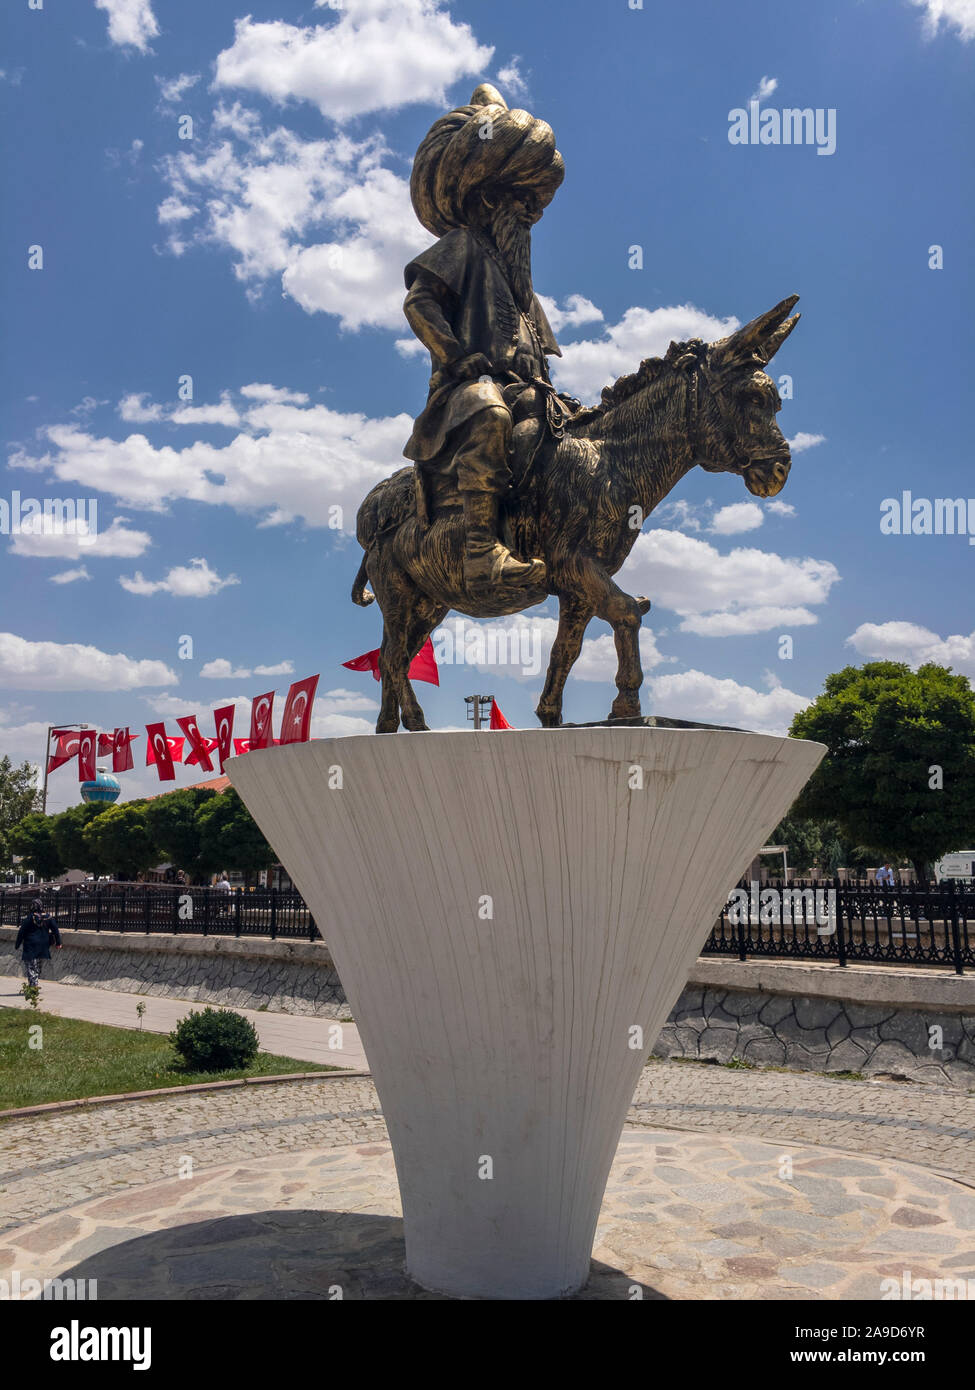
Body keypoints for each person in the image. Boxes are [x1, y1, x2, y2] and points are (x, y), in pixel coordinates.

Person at [403, 83, 581, 596]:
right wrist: (455, 356)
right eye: (522, 200)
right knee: (490, 413)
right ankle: (480, 551)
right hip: (467, 390)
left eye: (536, 203)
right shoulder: (461, 246)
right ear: (487, 198)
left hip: (526, 391)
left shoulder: (522, 287)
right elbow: (419, 303)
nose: (531, 214)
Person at [15, 898, 62, 988]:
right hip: (43, 946)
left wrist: (17, 944)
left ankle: (33, 986)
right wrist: (58, 943)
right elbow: (55, 930)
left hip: (30, 946)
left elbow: (21, 931)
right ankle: (34, 984)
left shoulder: (30, 917)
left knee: (31, 966)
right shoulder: (48, 917)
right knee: (37, 967)